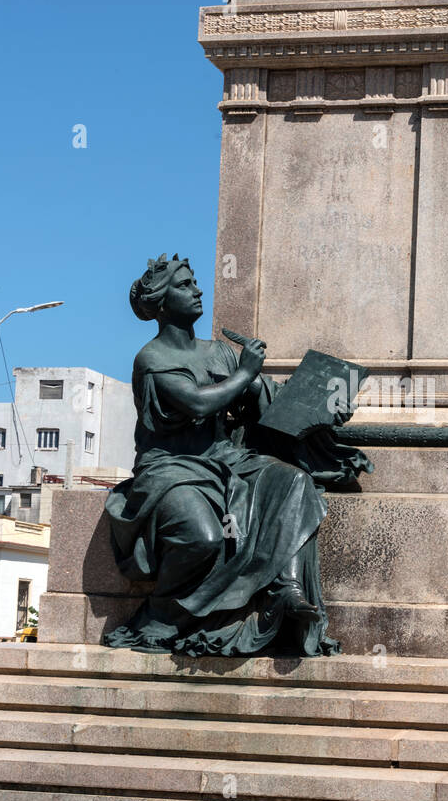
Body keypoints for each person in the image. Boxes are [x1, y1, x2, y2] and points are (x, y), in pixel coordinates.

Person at [104, 254, 370, 656]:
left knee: (292, 481)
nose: (197, 290)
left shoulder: (220, 354)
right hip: (172, 468)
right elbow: (196, 404)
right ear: (160, 302)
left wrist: (325, 405)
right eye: (184, 285)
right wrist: (245, 372)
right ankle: (164, 615)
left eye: (194, 282)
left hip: (226, 459)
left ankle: (287, 589)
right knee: (204, 537)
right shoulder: (153, 359)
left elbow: (263, 401)